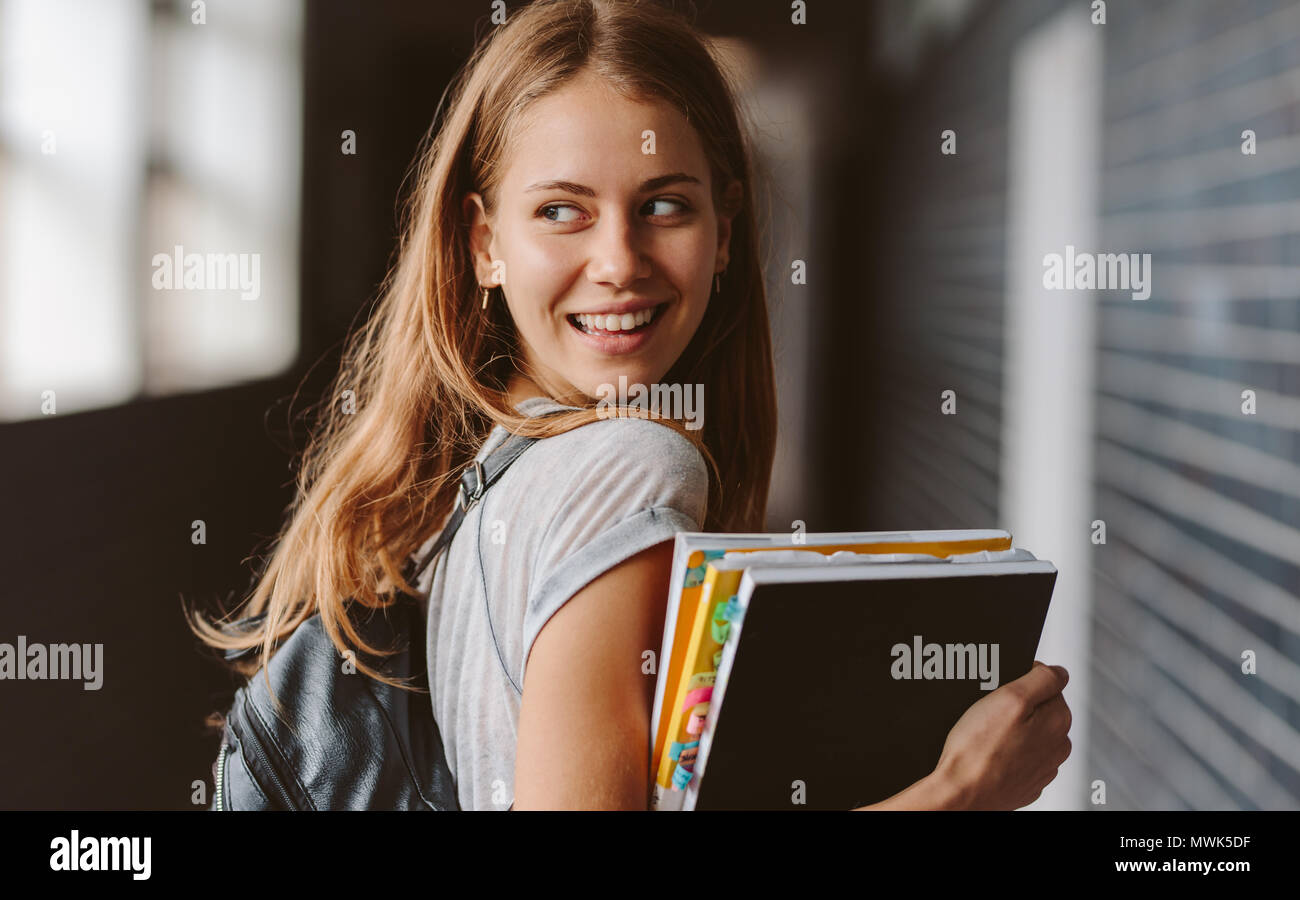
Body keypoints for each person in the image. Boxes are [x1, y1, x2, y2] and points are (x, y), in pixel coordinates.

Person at [192, 0, 1071, 811]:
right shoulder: (625, 467)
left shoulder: (478, 468)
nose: (619, 260)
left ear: (725, 231)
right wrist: (959, 790)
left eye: (663, 206)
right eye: (563, 212)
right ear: (484, 242)